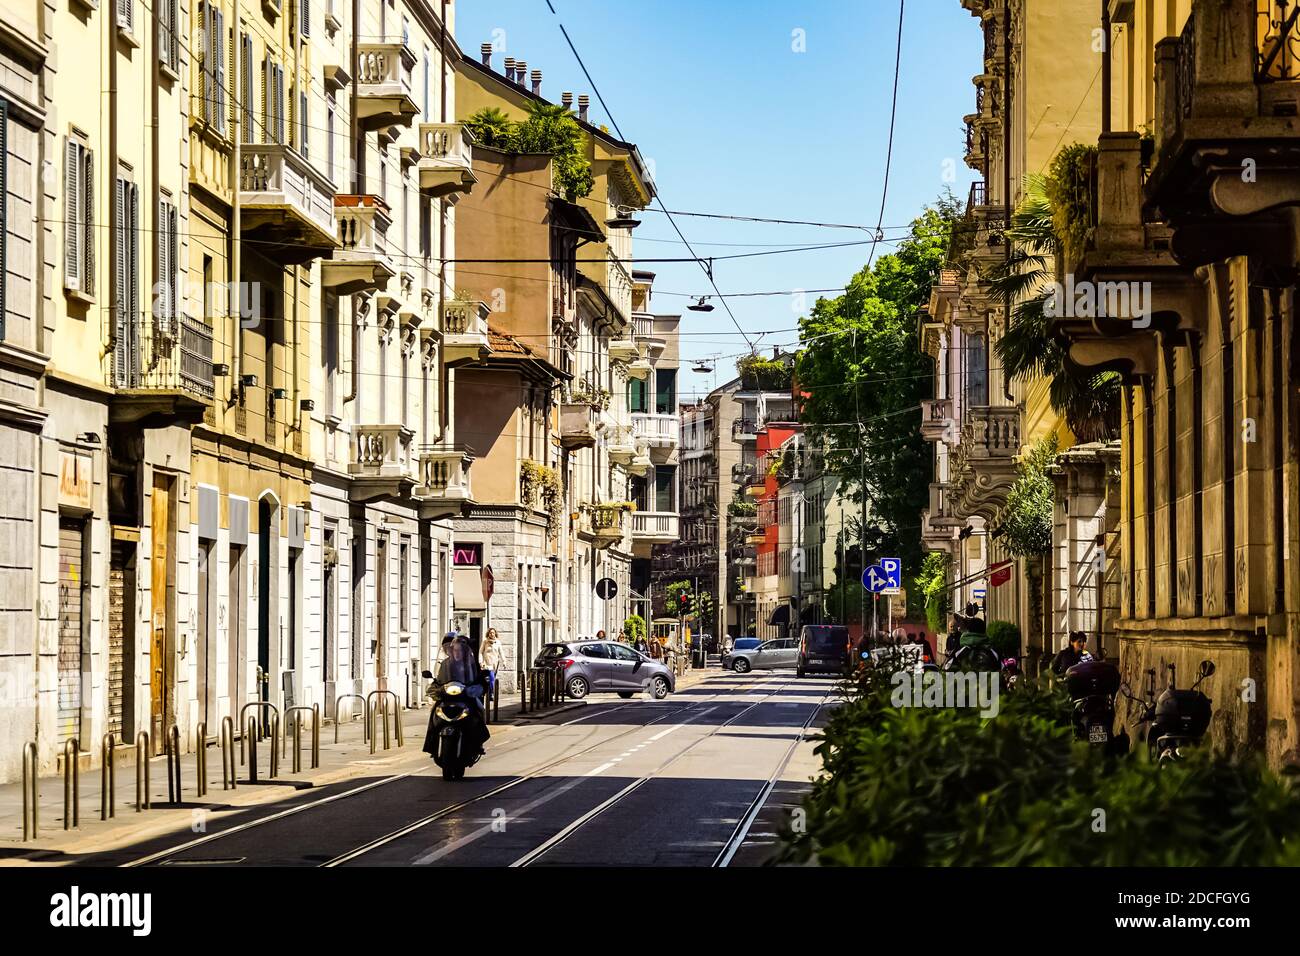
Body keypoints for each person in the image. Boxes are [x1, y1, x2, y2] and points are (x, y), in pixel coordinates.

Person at [423, 632, 490, 758]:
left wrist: (480, 684)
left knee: (480, 708)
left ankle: (478, 741)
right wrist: (436, 686)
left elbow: (478, 677)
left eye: (459, 651)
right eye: (454, 650)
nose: (457, 653)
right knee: (434, 713)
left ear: (465, 651)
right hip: (448, 696)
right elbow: (439, 678)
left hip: (466, 696)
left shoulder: (471, 664)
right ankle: (432, 744)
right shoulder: (445, 664)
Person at [479, 627, 503, 697]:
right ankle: (491, 693)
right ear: (488, 634)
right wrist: (480, 662)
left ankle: (489, 691)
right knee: (491, 677)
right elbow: (480, 652)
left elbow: (501, 652)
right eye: (490, 633)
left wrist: (504, 661)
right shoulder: (485, 642)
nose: (491, 634)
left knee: (492, 678)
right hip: (487, 663)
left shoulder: (498, 642)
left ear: (495, 633)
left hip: (495, 663)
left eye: (493, 632)